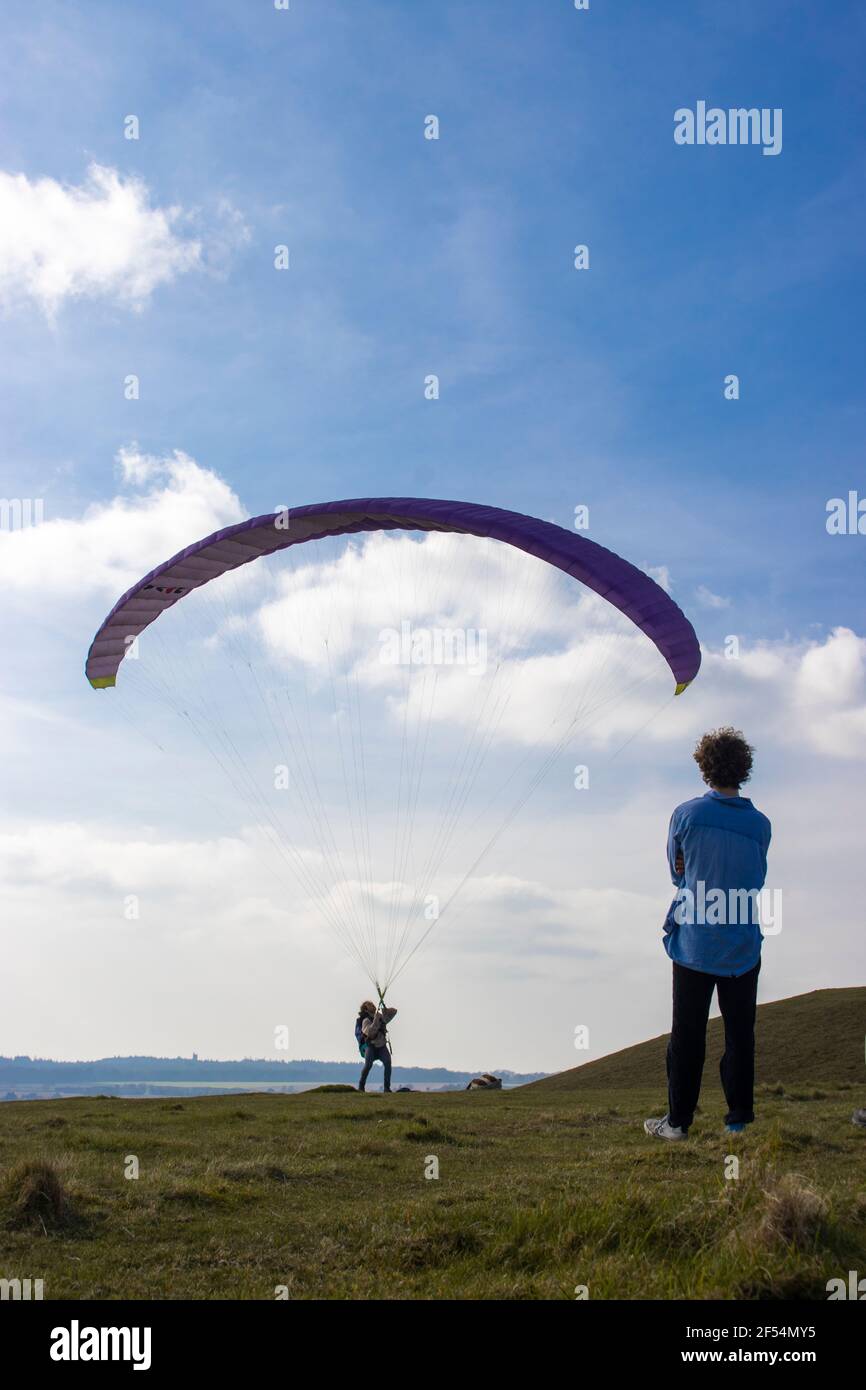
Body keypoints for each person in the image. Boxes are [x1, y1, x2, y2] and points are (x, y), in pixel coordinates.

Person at [645, 728, 771, 1142]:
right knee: (739, 1034)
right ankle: (737, 1121)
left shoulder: (686, 815)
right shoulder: (760, 824)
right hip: (742, 942)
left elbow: (675, 872)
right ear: (744, 769)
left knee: (687, 1034)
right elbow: (757, 876)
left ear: (705, 768)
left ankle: (678, 1122)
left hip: (696, 940)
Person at [356, 1000, 397, 1093]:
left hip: (381, 1045)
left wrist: (384, 1007)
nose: (372, 1008)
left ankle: (387, 1088)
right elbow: (370, 1032)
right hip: (371, 1046)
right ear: (366, 1010)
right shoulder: (365, 1021)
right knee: (368, 1065)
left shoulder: (380, 1017)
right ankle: (361, 1086)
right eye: (370, 1007)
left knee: (387, 1062)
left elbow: (393, 1012)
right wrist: (376, 1020)